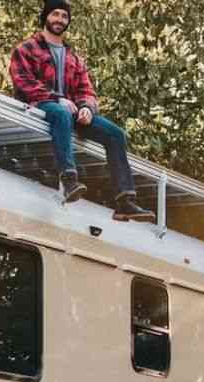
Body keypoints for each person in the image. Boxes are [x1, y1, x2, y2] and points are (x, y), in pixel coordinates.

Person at [9, 0, 155, 222]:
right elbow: (23, 82)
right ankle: (69, 180)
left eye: (64, 16)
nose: (59, 19)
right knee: (61, 112)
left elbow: (87, 90)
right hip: (38, 105)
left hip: (70, 111)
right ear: (46, 17)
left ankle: (124, 201)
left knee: (116, 134)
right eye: (55, 14)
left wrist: (87, 107)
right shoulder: (26, 48)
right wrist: (57, 98)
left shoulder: (74, 58)